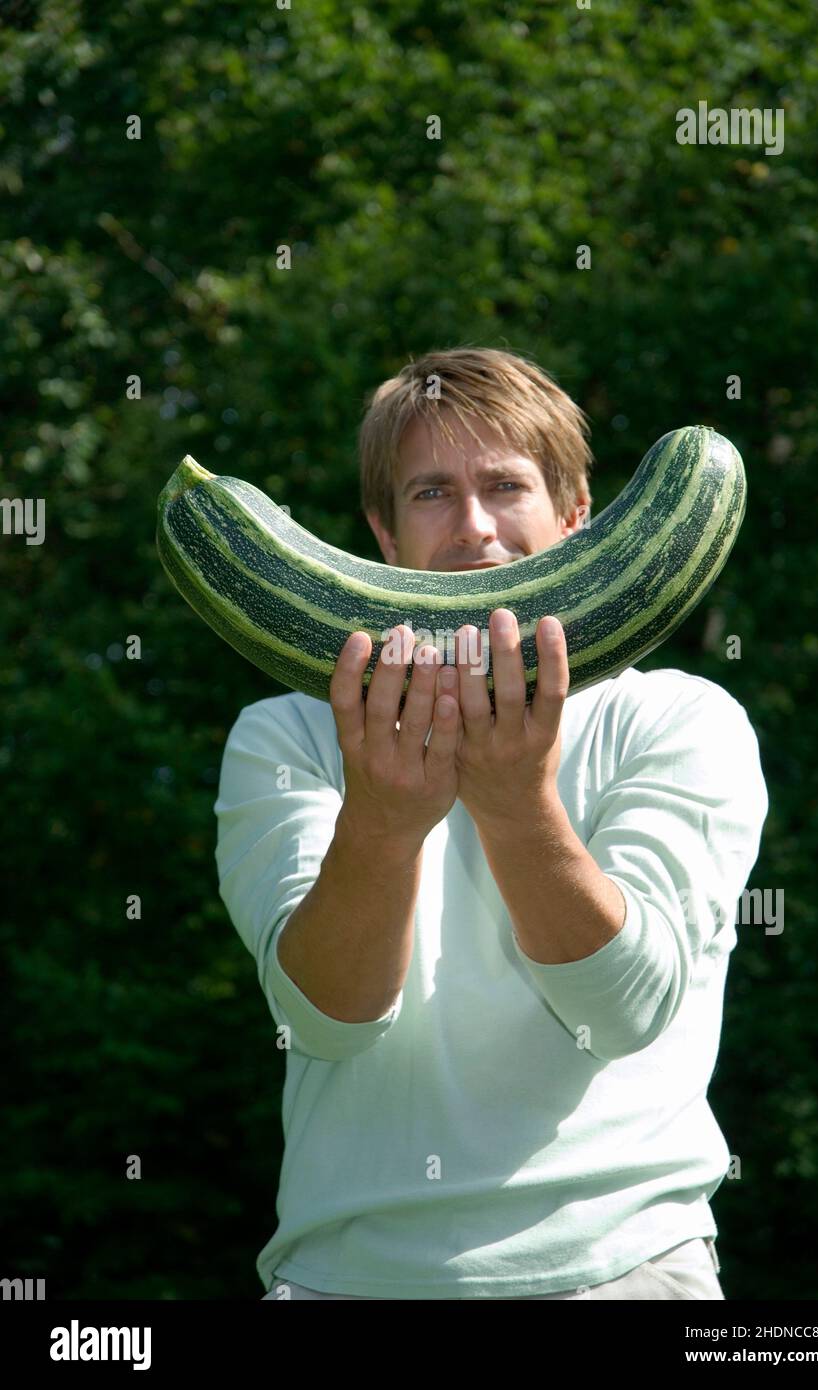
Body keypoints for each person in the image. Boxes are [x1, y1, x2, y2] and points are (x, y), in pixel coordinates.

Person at [214, 347, 768, 1300]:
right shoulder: (289, 734)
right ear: (382, 535)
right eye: (431, 492)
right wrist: (382, 828)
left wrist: (519, 809)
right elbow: (324, 1022)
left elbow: (625, 1011)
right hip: (349, 1278)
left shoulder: (680, 720)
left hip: (624, 1269)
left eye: (506, 485)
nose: (474, 527)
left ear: (578, 515)